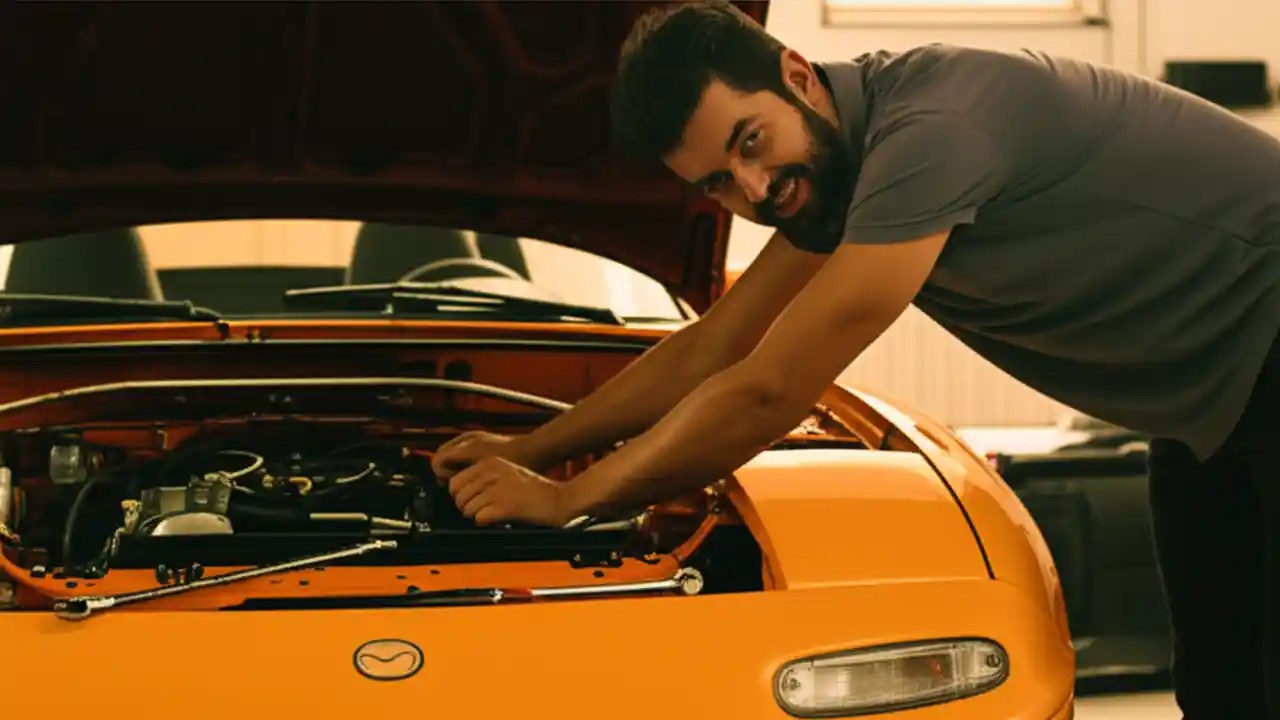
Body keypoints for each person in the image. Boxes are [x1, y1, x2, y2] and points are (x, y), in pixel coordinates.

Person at [432, 2, 1280, 716]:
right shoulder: (835, 172)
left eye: (751, 141)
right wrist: (528, 451)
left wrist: (572, 499)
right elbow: (717, 343)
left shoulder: (934, 129)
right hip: (1211, 406)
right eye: (719, 184)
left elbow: (767, 392)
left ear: (798, 75)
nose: (754, 189)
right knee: (1222, 684)